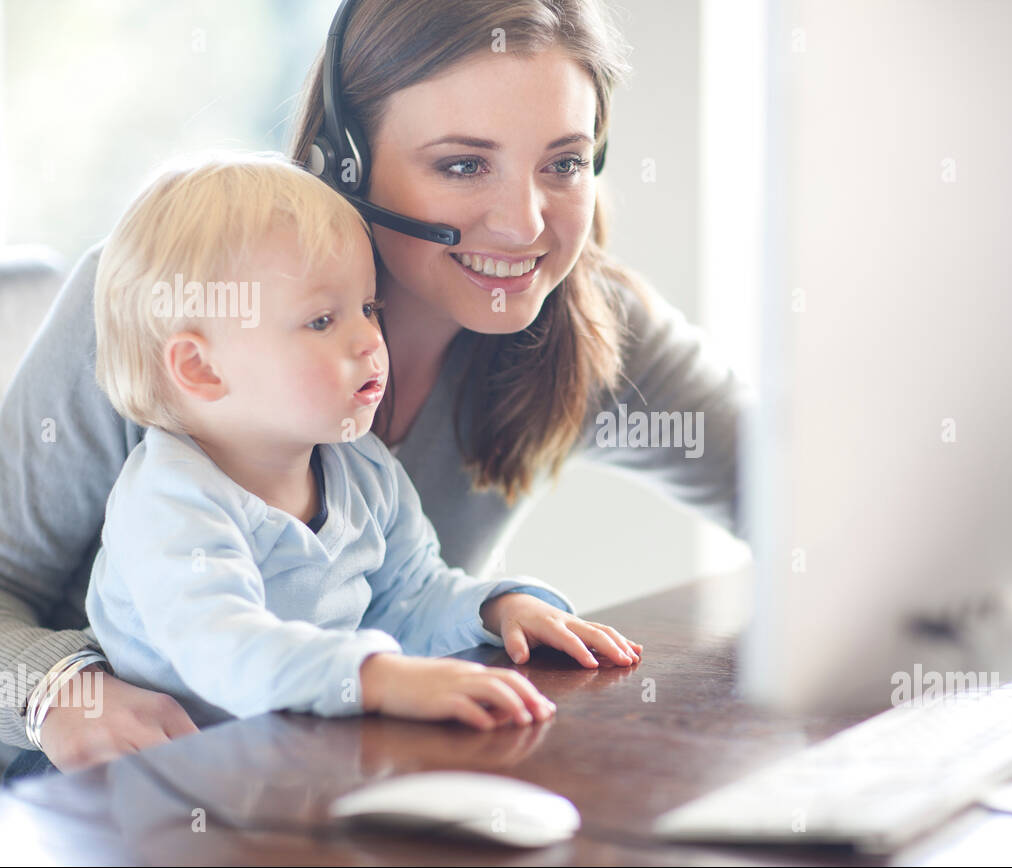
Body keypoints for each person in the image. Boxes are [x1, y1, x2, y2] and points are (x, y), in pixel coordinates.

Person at [0, 0, 750, 779]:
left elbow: (810, 504)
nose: (525, 224)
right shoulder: (173, 303)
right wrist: (57, 692)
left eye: (562, 163)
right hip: (91, 816)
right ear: (343, 163)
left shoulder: (588, 325)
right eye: (464, 164)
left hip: (316, 793)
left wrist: (497, 607)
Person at [83, 151, 640, 740]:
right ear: (201, 367)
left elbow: (409, 596)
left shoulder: (359, 463)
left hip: (288, 755)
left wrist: (497, 611)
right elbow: (225, 646)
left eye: (370, 308)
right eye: (322, 320)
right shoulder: (168, 502)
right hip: (149, 782)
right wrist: (378, 678)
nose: (371, 341)